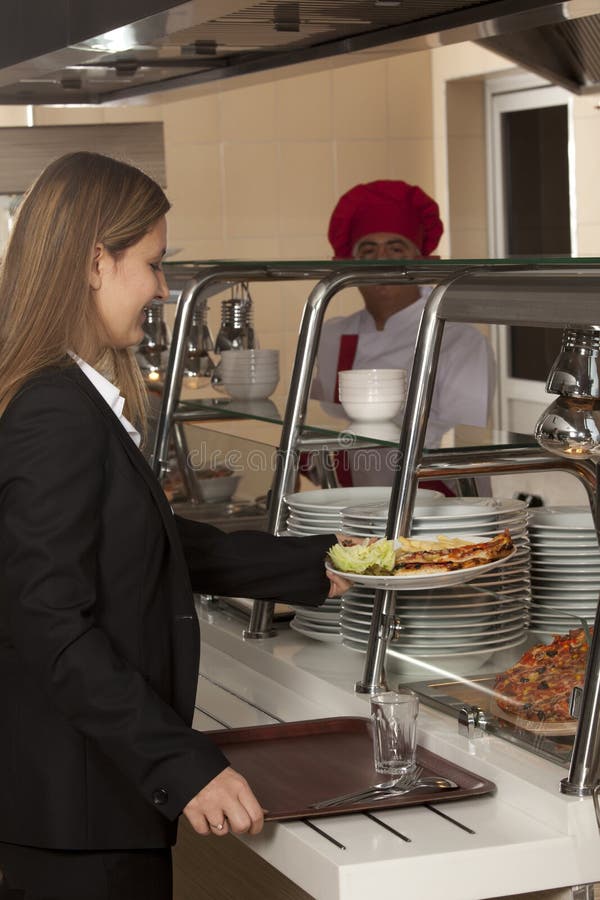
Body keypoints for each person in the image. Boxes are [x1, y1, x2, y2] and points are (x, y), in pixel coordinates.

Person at [0, 151, 349, 900]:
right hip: (78, 816)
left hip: (82, 803)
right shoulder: (55, 409)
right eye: (154, 264)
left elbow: (152, 541)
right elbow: (49, 623)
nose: (162, 288)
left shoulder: (65, 393)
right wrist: (181, 762)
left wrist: (323, 565)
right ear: (97, 262)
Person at [311, 179, 496, 488]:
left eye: (396, 248)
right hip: (354, 505)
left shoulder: (458, 338)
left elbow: (461, 440)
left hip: (443, 507)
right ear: (349, 266)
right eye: (368, 251)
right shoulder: (334, 334)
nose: (383, 261)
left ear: (420, 261)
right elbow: (326, 420)